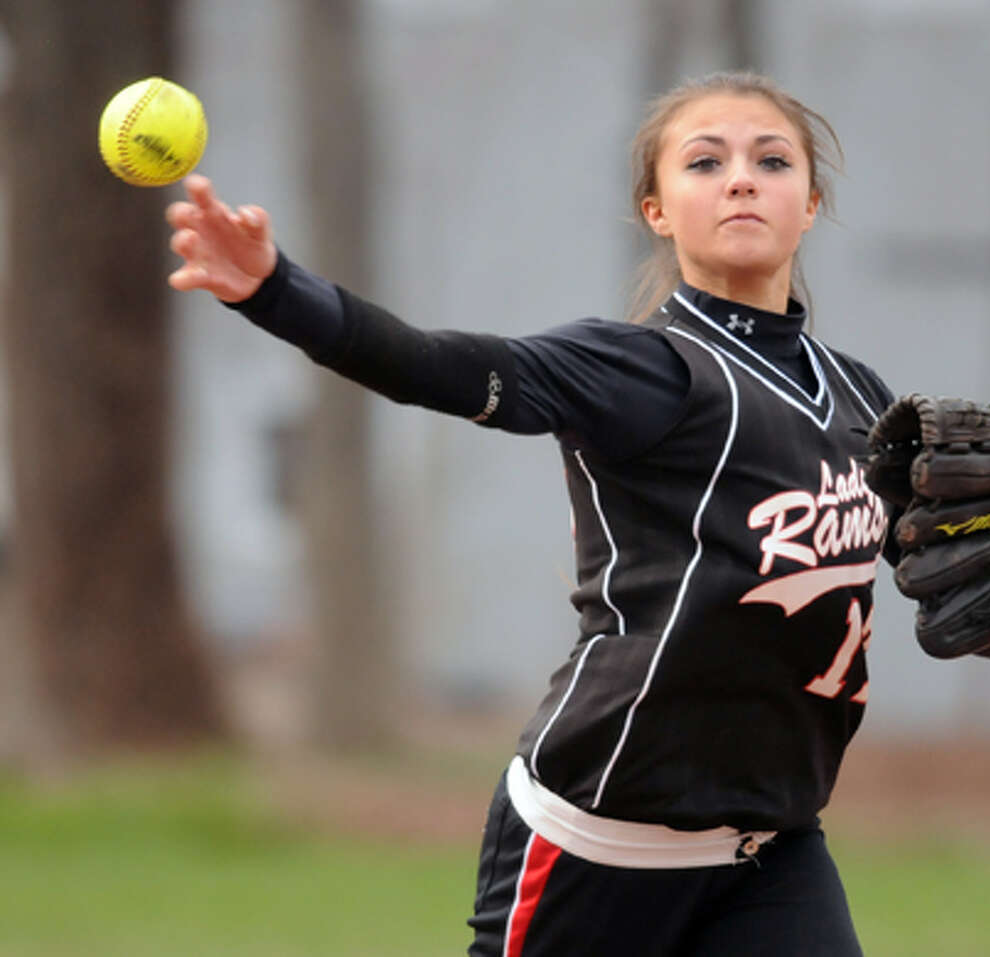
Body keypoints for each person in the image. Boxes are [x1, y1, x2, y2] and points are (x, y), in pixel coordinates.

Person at [167, 70, 897, 957]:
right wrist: (274, 290)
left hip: (771, 850)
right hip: (600, 841)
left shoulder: (860, 400)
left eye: (771, 159)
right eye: (704, 161)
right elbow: (434, 364)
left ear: (810, 202)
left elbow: (962, 559)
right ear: (656, 211)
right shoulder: (645, 368)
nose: (741, 177)